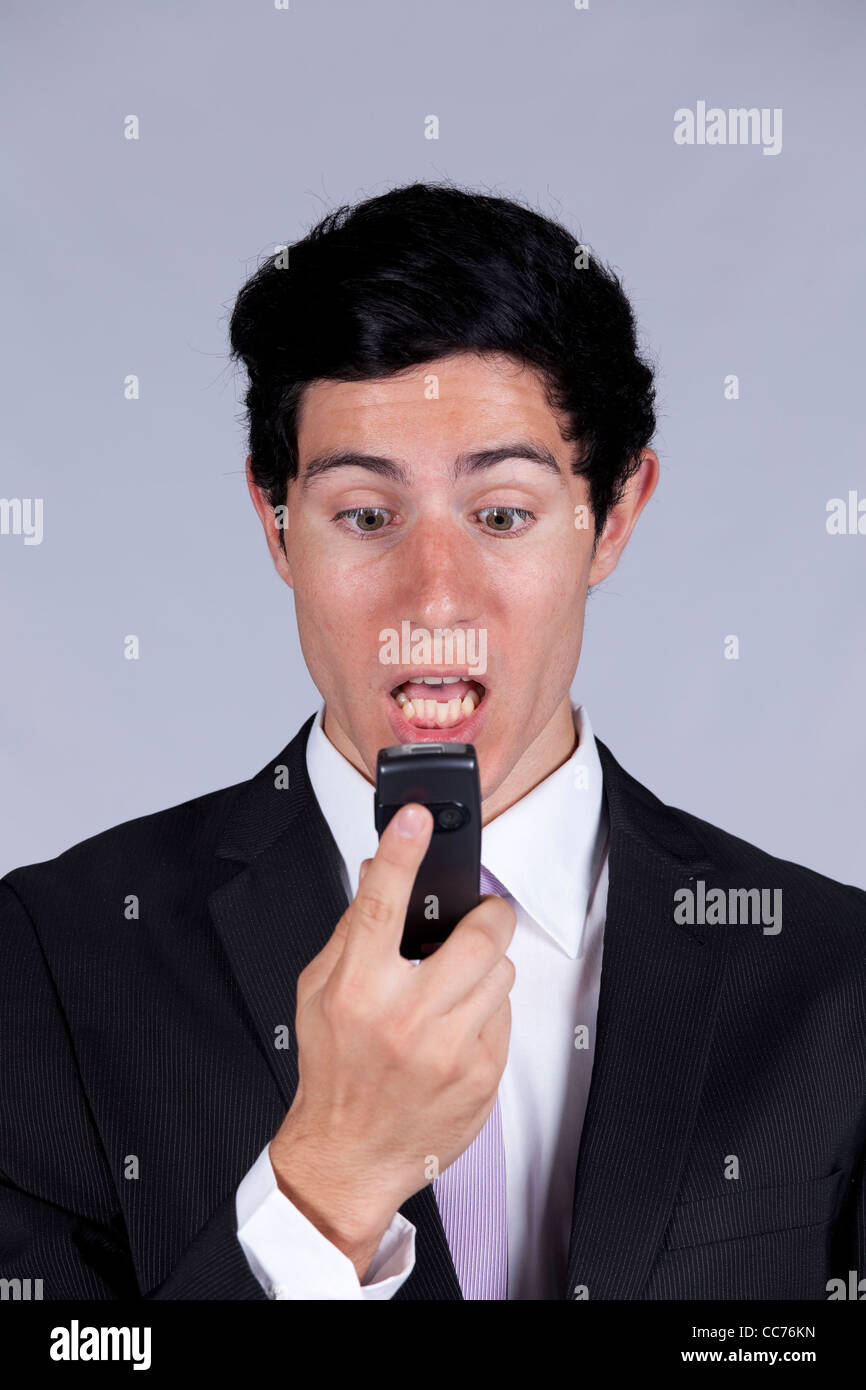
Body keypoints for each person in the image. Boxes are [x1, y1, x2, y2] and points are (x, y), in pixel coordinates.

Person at [1, 183, 863, 1301]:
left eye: (501, 514)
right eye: (366, 515)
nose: (434, 598)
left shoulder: (834, 973)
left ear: (612, 515)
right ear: (276, 525)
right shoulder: (49, 960)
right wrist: (327, 1185)